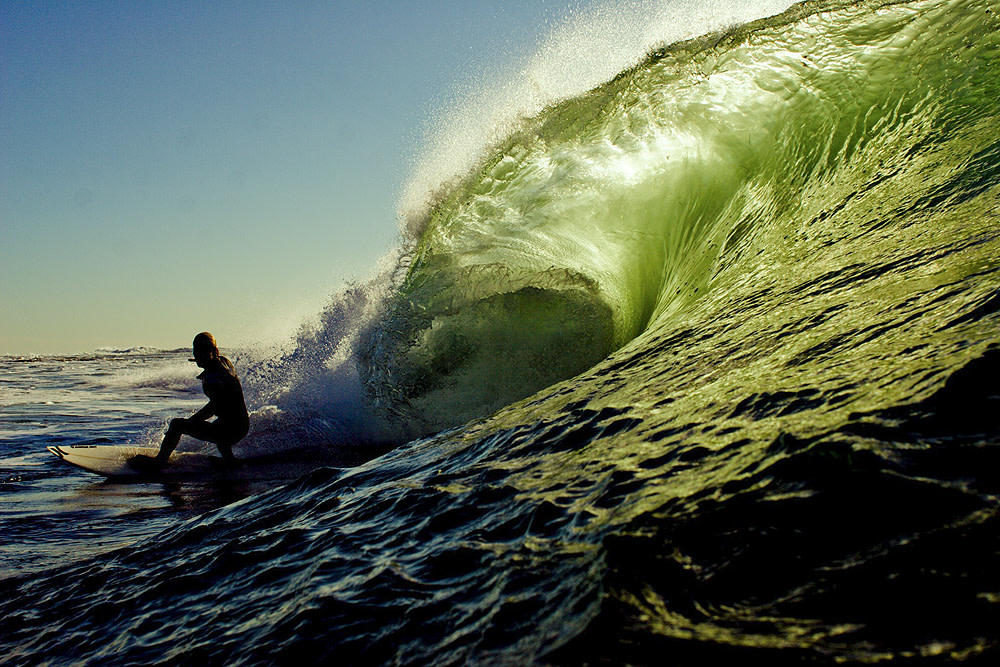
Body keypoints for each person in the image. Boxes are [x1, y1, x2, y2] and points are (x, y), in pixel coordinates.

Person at [153, 332, 249, 466]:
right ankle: (229, 459)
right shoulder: (223, 362)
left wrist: (191, 423)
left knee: (177, 425)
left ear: (215, 351)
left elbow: (215, 406)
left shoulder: (214, 378)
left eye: (203, 350)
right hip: (240, 425)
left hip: (231, 431)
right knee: (219, 423)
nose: (197, 354)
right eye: (196, 350)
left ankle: (159, 461)